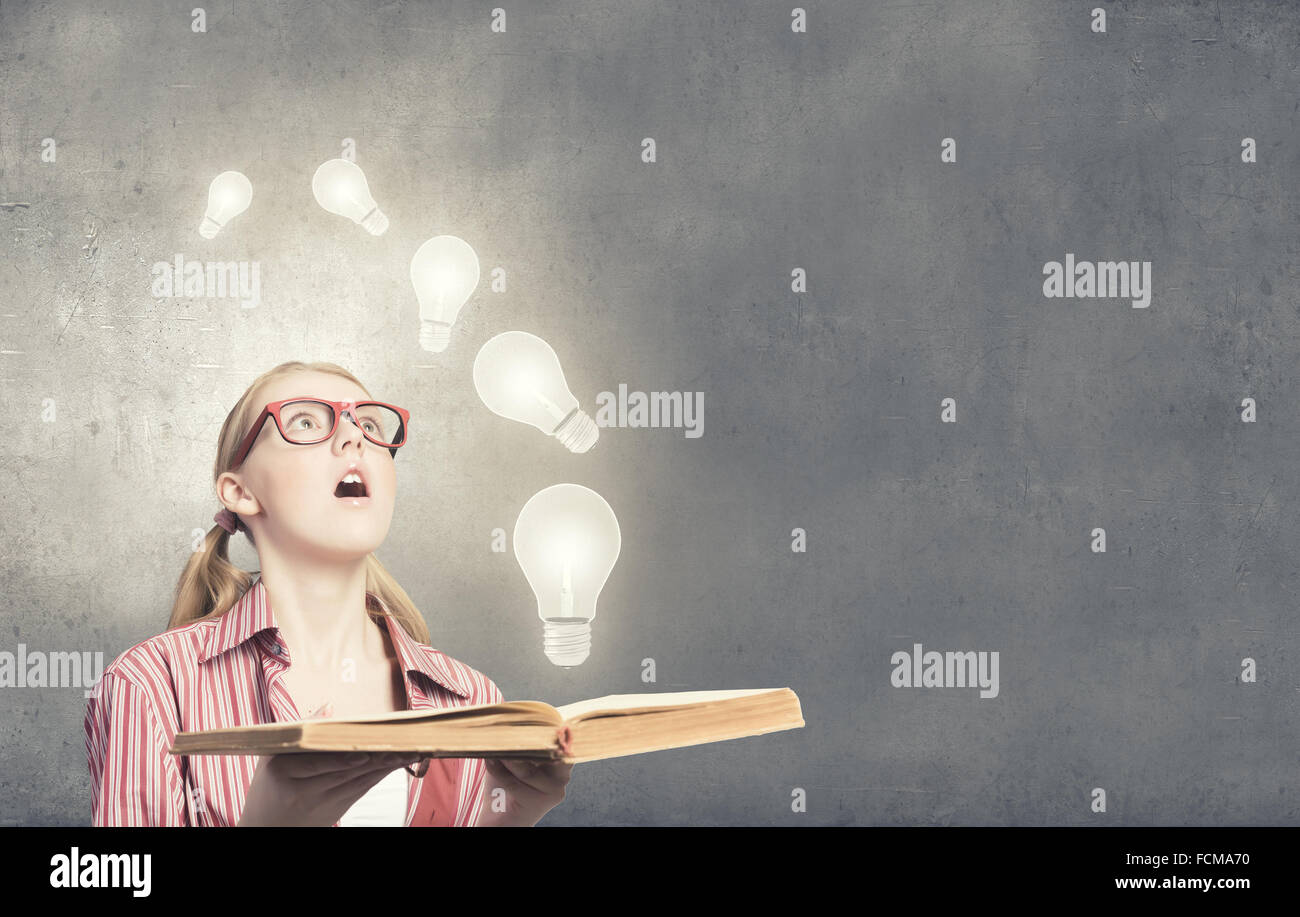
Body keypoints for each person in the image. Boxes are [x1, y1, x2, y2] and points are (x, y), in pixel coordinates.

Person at [84, 360, 573, 826]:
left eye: (370, 424)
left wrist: (504, 819)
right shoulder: (149, 686)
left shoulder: (471, 697)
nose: (353, 436)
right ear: (240, 492)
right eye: (304, 421)